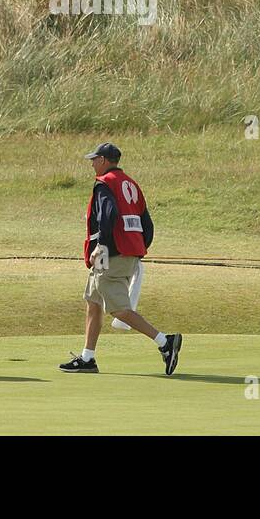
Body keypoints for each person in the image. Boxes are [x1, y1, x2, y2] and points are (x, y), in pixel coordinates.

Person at [59, 142, 182, 375]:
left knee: (118, 309)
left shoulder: (105, 184)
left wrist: (102, 247)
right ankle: (88, 358)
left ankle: (165, 342)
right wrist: (136, 249)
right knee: (93, 302)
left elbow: (108, 215)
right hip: (123, 253)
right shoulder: (131, 185)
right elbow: (147, 225)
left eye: (95, 159)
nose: (92, 163)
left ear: (104, 161)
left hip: (111, 254)